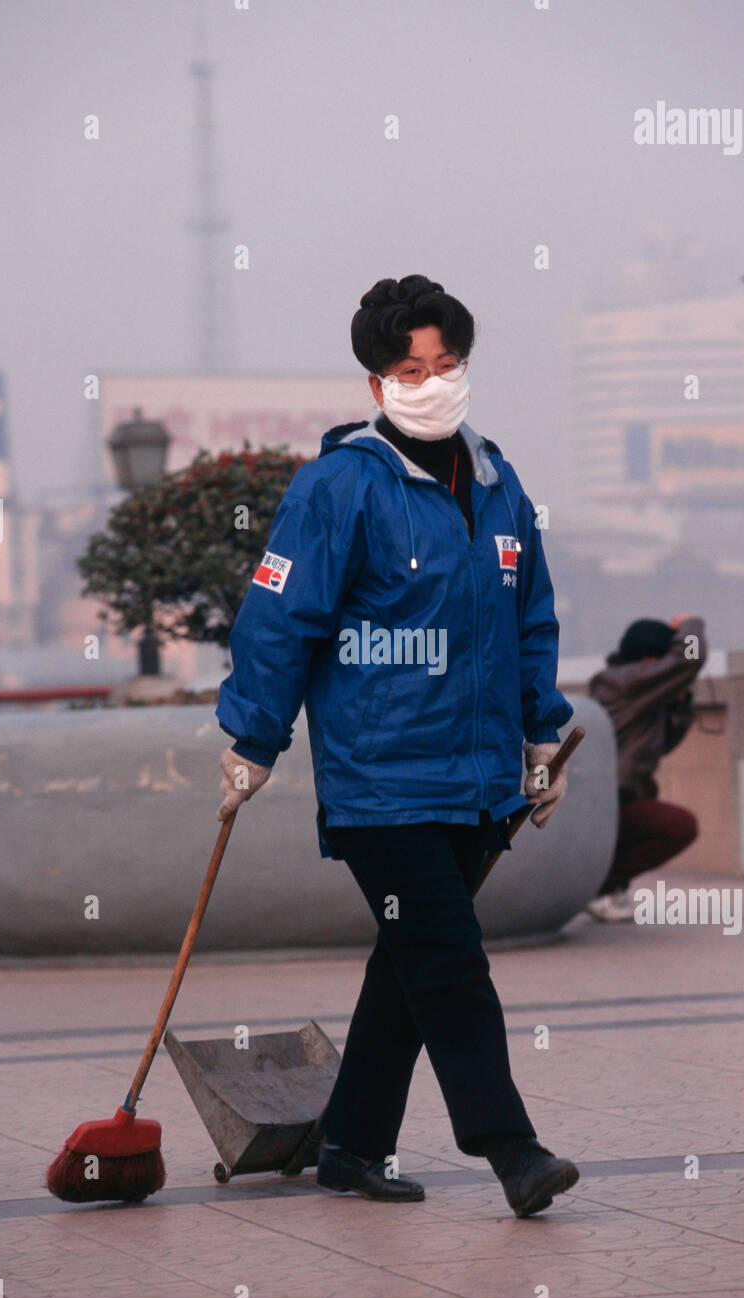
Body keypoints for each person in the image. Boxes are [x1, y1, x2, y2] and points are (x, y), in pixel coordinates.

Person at [214, 275, 579, 1218]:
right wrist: (253, 737)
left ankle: (350, 1144)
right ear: (376, 384)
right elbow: (278, 619)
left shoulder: (497, 481)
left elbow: (528, 619)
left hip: (479, 780)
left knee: (410, 964)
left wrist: (540, 735)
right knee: (449, 962)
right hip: (381, 785)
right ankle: (511, 1147)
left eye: (447, 365)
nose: (432, 383)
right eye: (410, 369)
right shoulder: (339, 487)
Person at [586, 614, 707, 922]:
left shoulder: (636, 692)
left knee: (649, 791)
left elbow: (663, 743)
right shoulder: (624, 683)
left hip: (619, 793)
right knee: (679, 826)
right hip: (606, 798)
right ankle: (598, 888)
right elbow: (691, 657)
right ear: (652, 660)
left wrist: (679, 702)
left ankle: (607, 887)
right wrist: (690, 625)